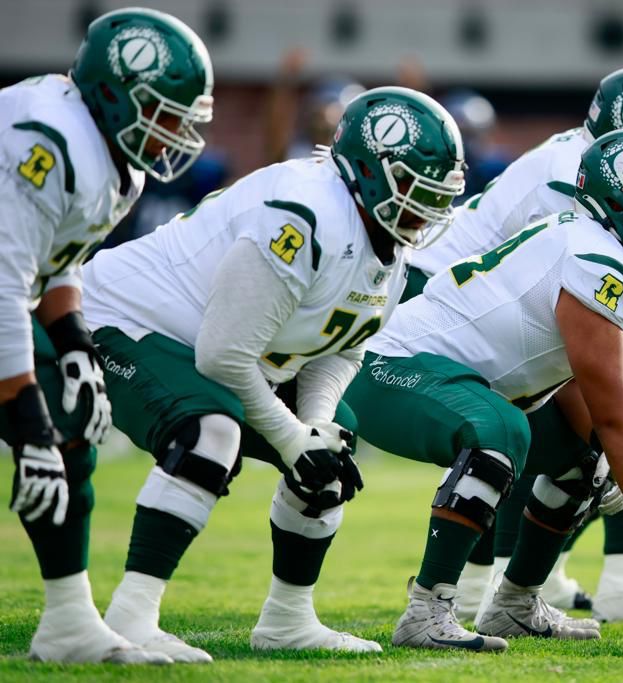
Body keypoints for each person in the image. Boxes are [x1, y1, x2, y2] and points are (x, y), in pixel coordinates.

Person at [80, 86, 466, 662]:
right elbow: (222, 356)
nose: (425, 209)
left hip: (213, 343)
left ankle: (288, 619)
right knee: (210, 432)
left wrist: (315, 427)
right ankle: (132, 615)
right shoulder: (305, 213)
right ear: (367, 171)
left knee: (332, 446)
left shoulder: (384, 240)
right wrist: (290, 439)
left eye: (435, 196)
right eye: (413, 189)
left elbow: (341, 349)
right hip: (127, 319)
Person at [345, 127, 623, 652]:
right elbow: (614, 415)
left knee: (587, 462)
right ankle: (427, 609)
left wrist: (608, 462)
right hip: (388, 367)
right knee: (501, 429)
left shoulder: (602, 249)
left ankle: (515, 602)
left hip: (451, 377)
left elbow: (581, 391)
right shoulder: (594, 261)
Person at [405, 65, 623, 624]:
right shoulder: (574, 184)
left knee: (592, 437)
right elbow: (580, 331)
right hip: (436, 302)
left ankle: (512, 591)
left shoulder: (605, 187)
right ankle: (480, 587)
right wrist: (612, 421)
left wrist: (616, 403)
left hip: (479, 305)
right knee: (524, 434)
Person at [0, 8, 213, 664]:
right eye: (163, 113)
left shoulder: (113, 156)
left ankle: (68, 622)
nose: (174, 132)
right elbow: (4, 284)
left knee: (69, 427)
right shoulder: (44, 140)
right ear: (115, 95)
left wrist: (74, 346)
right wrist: (25, 421)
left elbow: (56, 260)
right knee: (45, 428)